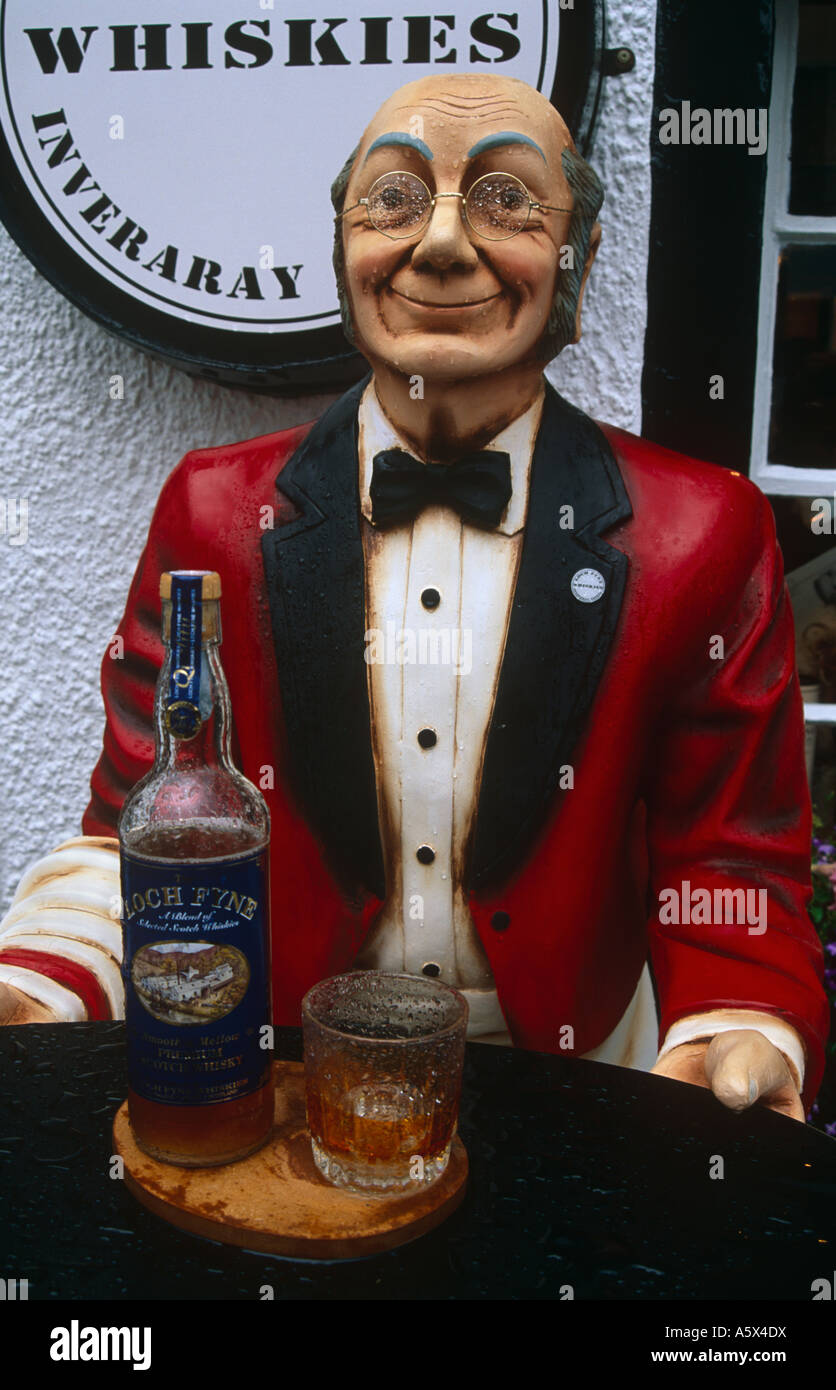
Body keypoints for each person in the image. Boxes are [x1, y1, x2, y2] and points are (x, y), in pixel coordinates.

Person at [0, 74, 827, 1123]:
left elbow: (725, 854)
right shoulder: (215, 515)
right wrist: (36, 980)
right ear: (344, 252)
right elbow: (145, 821)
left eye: (506, 201)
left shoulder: (700, 531)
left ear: (579, 257)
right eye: (391, 200)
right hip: (296, 1092)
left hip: (582, 1092)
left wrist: (738, 1025)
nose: (439, 245)